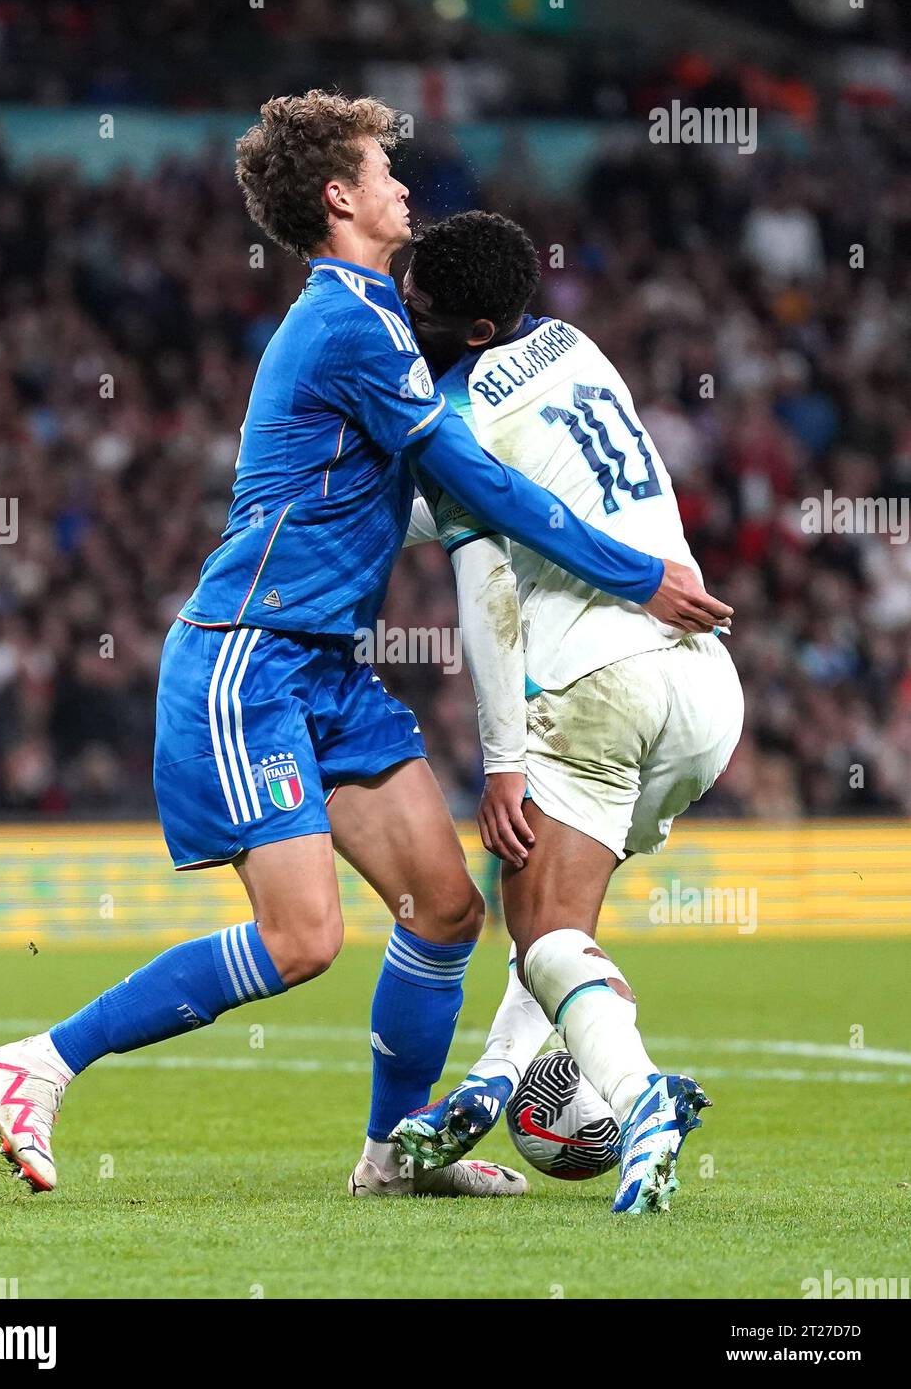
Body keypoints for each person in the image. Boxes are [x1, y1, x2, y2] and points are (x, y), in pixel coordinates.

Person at [0, 94, 731, 1199]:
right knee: (302, 939)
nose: (403, 189)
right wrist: (636, 572)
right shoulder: (348, 322)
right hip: (250, 658)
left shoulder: (376, 317)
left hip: (327, 668)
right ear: (339, 196)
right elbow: (473, 483)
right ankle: (39, 1061)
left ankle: (390, 1159)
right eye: (383, 171)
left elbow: (442, 493)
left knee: (446, 909)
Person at [393, 211, 744, 1213]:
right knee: (558, 930)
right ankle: (491, 1084)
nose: (403, 316)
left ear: (470, 329)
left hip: (596, 682)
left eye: (420, 308)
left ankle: (640, 1101)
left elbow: (487, 594)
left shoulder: (456, 417)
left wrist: (503, 757)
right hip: (705, 689)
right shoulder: (577, 348)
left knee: (536, 919)